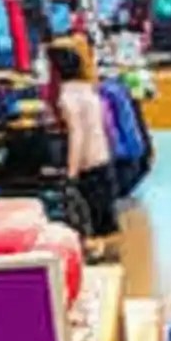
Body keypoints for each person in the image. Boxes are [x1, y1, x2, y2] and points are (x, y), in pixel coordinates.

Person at [53, 47, 120, 257]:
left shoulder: (67, 97)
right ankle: (110, 254)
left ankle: (97, 253)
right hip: (103, 157)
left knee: (89, 215)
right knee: (105, 216)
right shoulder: (88, 91)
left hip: (87, 163)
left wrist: (71, 171)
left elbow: (77, 134)